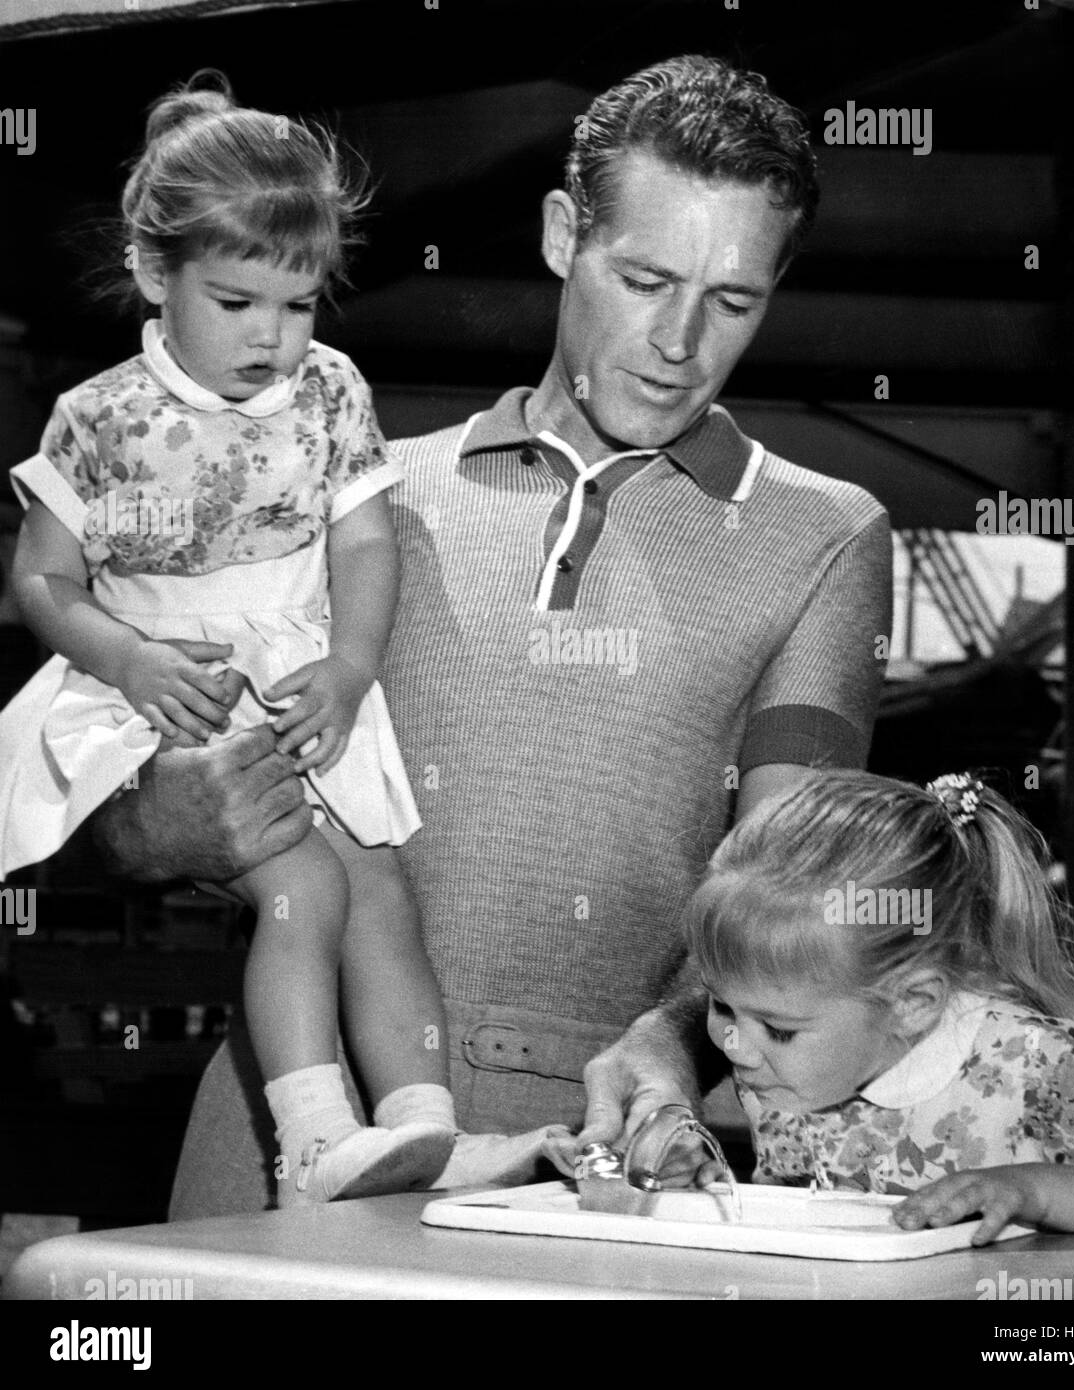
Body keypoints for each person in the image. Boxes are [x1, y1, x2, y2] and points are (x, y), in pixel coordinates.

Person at [91, 55, 894, 1217]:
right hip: (286, 1141)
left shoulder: (819, 538)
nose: (678, 340)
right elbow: (105, 801)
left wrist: (676, 1046)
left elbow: (782, 903)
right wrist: (157, 816)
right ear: (563, 235)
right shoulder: (359, 496)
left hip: (593, 1165)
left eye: (732, 301)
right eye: (642, 277)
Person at [0, 75, 461, 1204]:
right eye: (237, 300)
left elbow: (362, 548)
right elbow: (43, 579)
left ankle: (425, 1121)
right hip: (165, 680)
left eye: (298, 305)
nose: (271, 336)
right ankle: (310, 1137)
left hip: (295, 668)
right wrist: (126, 658)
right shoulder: (99, 416)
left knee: (380, 883)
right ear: (156, 276)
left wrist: (351, 668)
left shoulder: (332, 393)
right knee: (301, 883)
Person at [685, 768, 1074, 1240]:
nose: (735, 1048)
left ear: (912, 1003)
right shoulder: (777, 1072)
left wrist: (1035, 1190)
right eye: (723, 1007)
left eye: (779, 1030)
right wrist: (697, 1187)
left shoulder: (1027, 1063)